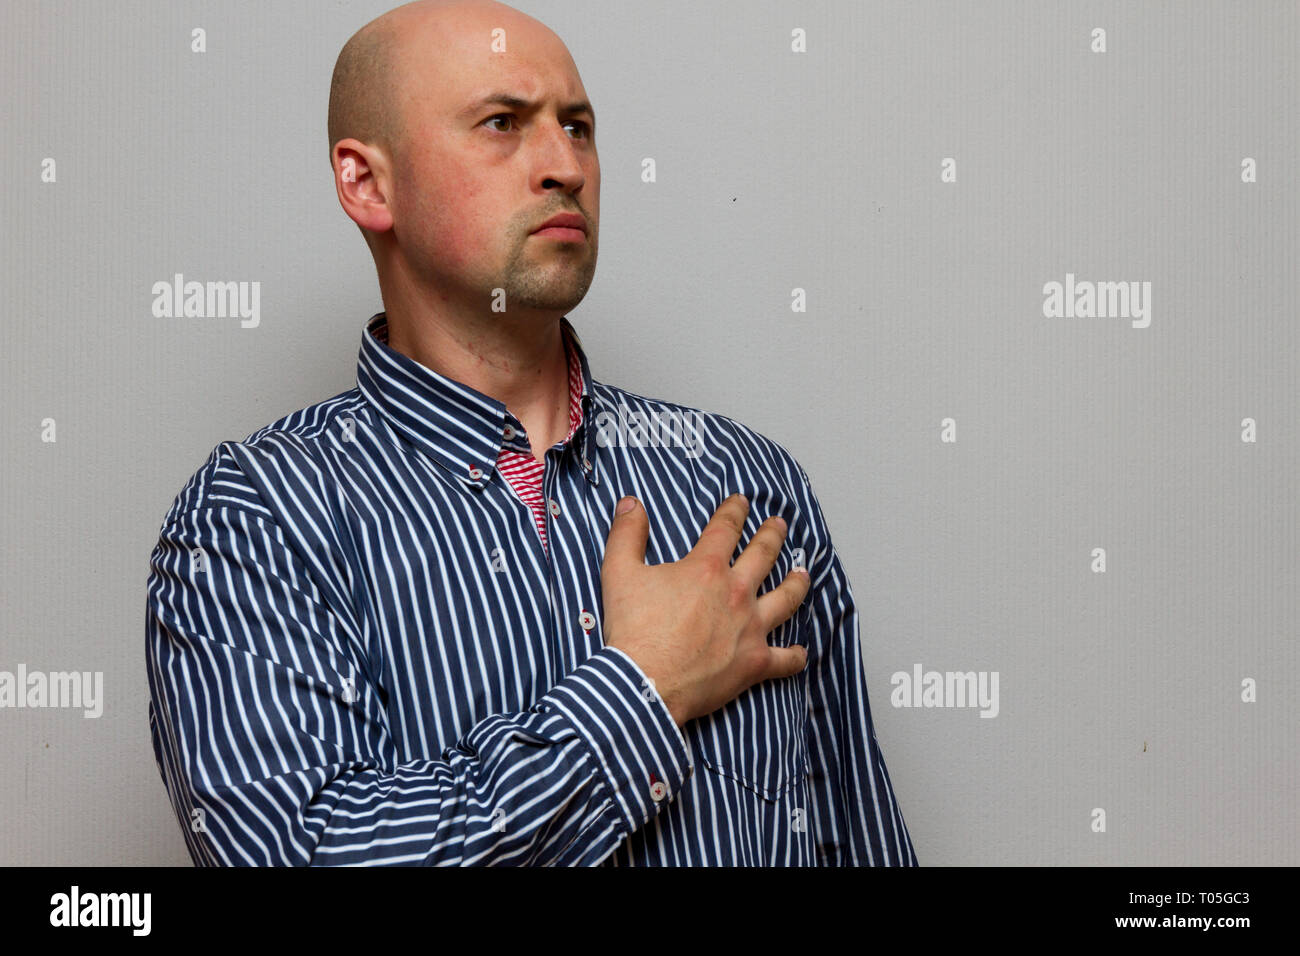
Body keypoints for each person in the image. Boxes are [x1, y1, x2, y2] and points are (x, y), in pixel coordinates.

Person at [145, 0, 917, 866]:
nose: (566, 167)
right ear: (368, 183)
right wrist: (643, 692)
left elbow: (863, 841)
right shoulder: (257, 518)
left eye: (579, 129)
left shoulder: (743, 483)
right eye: (503, 124)